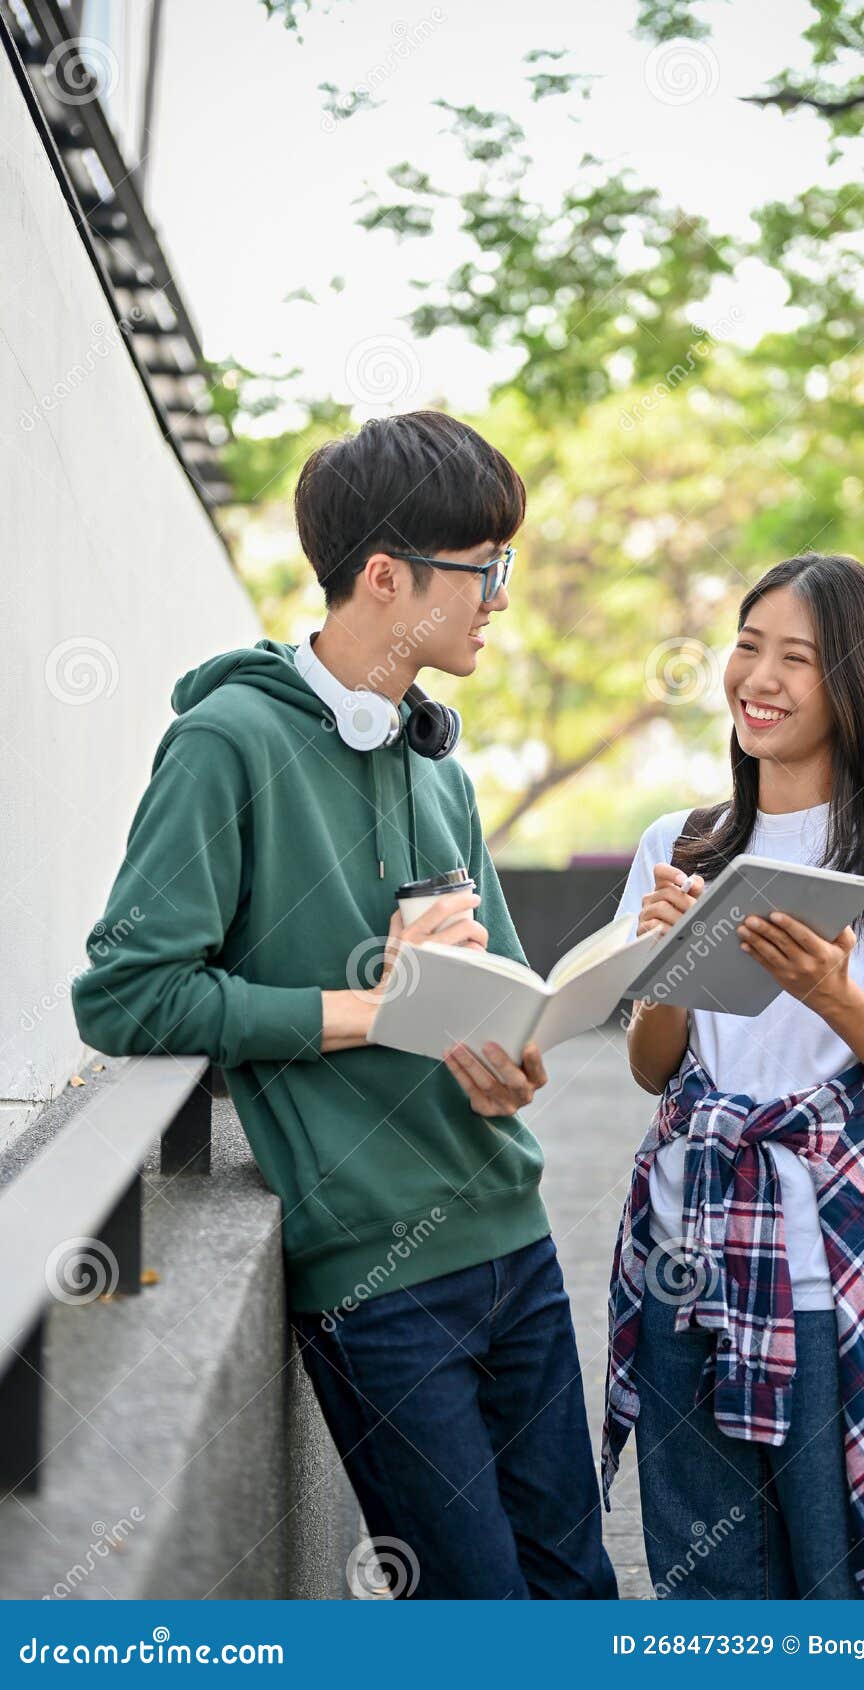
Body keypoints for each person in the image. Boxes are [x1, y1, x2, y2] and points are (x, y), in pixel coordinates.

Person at [72, 409, 616, 1601]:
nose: (502, 601)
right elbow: (128, 994)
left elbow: (509, 997)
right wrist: (375, 1007)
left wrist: (515, 1058)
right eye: (486, 571)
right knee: (479, 1615)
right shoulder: (226, 743)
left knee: (579, 1594)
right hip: (375, 1276)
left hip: (514, 1237)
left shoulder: (440, 763)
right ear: (385, 575)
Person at [603, 551, 864, 1601]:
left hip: (833, 1276)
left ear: (853, 684)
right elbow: (652, 1066)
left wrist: (836, 997)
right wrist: (666, 969)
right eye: (748, 645)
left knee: (841, 1576)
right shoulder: (679, 844)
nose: (756, 677)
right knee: (708, 1583)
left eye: (796, 658)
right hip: (689, 1258)